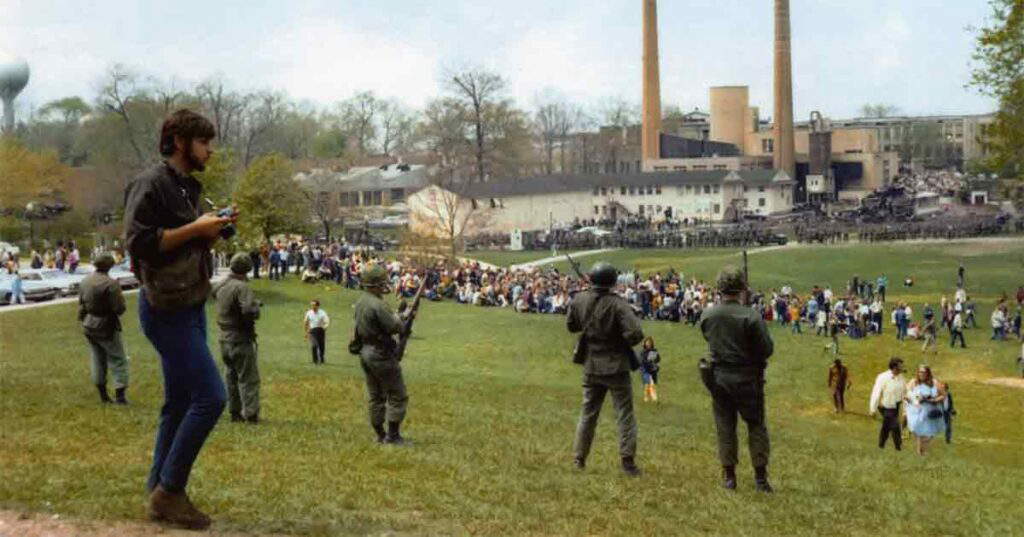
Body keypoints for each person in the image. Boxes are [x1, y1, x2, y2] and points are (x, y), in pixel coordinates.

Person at [124, 109, 235, 529]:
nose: (210, 149)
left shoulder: (188, 187)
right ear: (180, 141)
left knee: (180, 402)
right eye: (205, 142)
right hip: (165, 308)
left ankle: (158, 490)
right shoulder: (150, 183)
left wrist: (214, 227)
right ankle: (170, 491)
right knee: (212, 397)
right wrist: (196, 229)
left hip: (189, 301)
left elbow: (182, 239)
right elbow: (139, 243)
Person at [699, 266, 774, 492]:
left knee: (725, 426)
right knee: (756, 425)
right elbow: (766, 349)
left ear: (720, 288)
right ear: (741, 287)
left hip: (719, 378)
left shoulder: (708, 315)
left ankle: (729, 476)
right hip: (748, 379)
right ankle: (760, 478)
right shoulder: (751, 316)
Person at [567, 262, 644, 476]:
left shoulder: (579, 299)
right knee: (624, 414)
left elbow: (572, 325)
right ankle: (627, 461)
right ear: (612, 281)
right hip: (617, 365)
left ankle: (579, 458)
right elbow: (636, 334)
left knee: (588, 413)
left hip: (591, 364)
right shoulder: (617, 304)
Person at [353, 265, 410, 444]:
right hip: (380, 353)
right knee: (397, 394)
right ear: (376, 284)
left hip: (365, 352)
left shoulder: (361, 301)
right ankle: (393, 436)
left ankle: (380, 435)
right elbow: (395, 327)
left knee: (376, 396)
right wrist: (403, 318)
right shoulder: (378, 304)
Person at [211, 253, 262, 424]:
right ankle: (251, 414)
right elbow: (247, 309)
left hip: (223, 337)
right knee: (248, 378)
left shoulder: (221, 285)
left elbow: (215, 295)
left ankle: (235, 413)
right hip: (240, 336)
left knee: (231, 376)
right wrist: (255, 309)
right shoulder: (242, 287)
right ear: (247, 268)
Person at [77, 253, 129, 404]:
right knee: (118, 359)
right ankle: (120, 396)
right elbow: (119, 309)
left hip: (88, 323)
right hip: (106, 325)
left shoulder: (85, 280)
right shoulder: (111, 284)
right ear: (110, 266)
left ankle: (103, 395)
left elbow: (81, 304)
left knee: (97, 359)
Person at [905, 365, 946, 456]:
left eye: (924, 372)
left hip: (930, 409)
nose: (921, 374)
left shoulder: (934, 382)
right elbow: (906, 393)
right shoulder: (913, 382)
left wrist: (933, 400)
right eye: (920, 372)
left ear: (928, 373)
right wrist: (911, 399)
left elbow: (943, 395)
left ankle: (922, 448)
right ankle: (920, 449)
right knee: (917, 427)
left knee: (928, 430)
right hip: (916, 409)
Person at [869, 358, 907, 451]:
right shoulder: (882, 377)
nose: (902, 368)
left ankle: (881, 444)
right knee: (895, 425)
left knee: (886, 425)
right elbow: (876, 393)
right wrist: (872, 409)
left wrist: (905, 409)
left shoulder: (901, 378)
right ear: (894, 367)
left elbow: (904, 393)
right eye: (900, 366)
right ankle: (898, 446)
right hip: (885, 405)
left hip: (896, 405)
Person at [304, 299, 330, 365]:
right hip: (312, 331)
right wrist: (306, 332)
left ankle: (321, 359)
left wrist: (325, 327)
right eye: (311, 305)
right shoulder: (309, 313)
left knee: (321, 346)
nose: (312, 307)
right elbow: (306, 322)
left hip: (320, 330)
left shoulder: (322, 312)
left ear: (318, 306)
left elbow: (327, 321)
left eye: (314, 305)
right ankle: (315, 360)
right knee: (314, 345)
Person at [638, 336, 660, 403]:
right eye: (647, 343)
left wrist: (655, 359)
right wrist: (649, 361)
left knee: (647, 385)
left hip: (652, 371)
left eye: (649, 343)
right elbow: (642, 361)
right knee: (650, 383)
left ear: (651, 343)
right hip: (645, 370)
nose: (648, 344)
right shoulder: (643, 352)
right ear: (645, 344)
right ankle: (654, 398)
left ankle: (646, 398)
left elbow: (658, 359)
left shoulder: (654, 351)